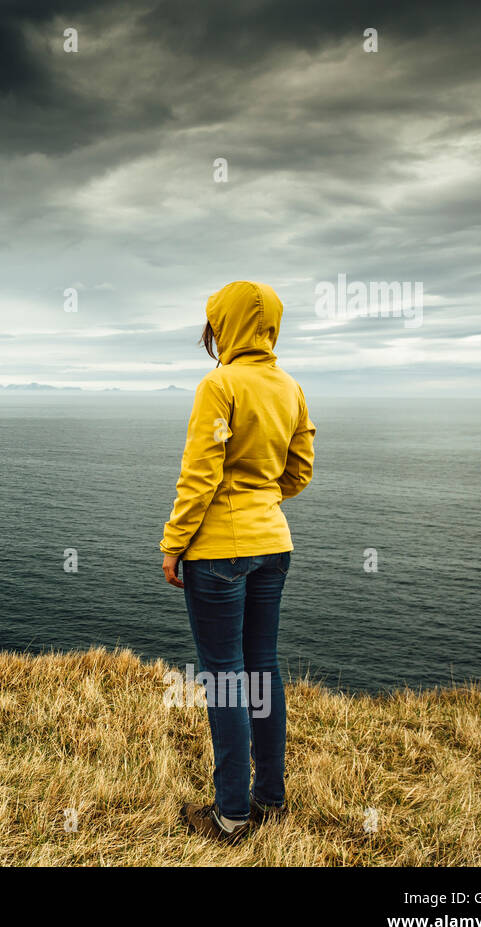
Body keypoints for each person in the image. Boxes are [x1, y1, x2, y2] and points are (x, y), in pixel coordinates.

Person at [160, 280, 316, 844]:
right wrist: (259, 497)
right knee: (262, 669)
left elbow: (201, 474)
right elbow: (298, 473)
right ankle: (270, 799)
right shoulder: (290, 388)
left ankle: (231, 816)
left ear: (221, 325)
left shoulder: (219, 385)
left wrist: (173, 542)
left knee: (225, 677)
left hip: (219, 552)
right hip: (274, 544)